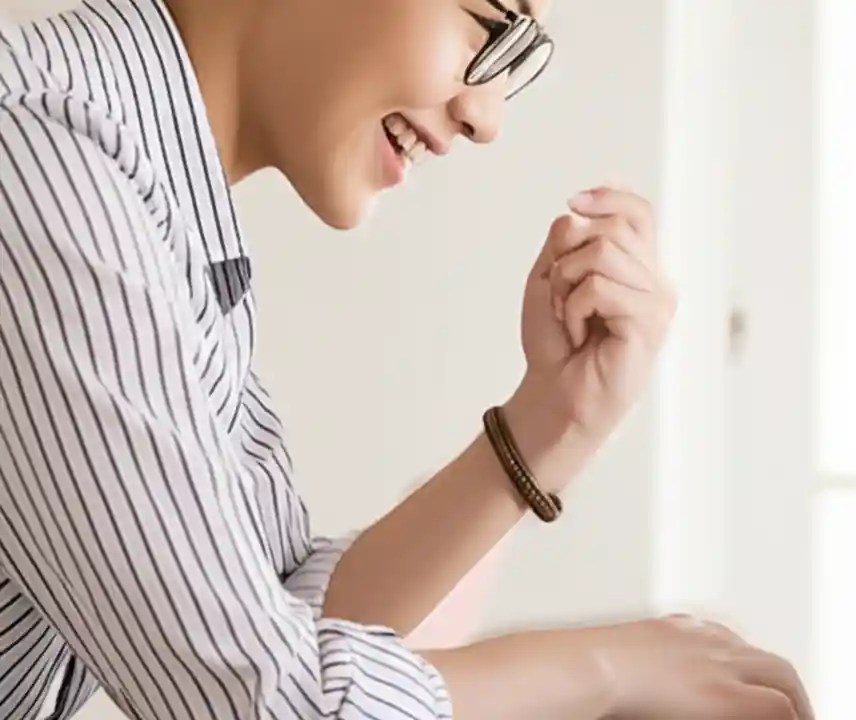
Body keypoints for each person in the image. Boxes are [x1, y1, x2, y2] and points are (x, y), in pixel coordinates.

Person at [0, 0, 814, 718]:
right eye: (489, 24)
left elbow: (273, 623)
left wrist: (550, 421)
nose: (488, 115)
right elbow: (260, 698)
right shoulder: (42, 170)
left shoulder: (146, 211)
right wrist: (611, 670)